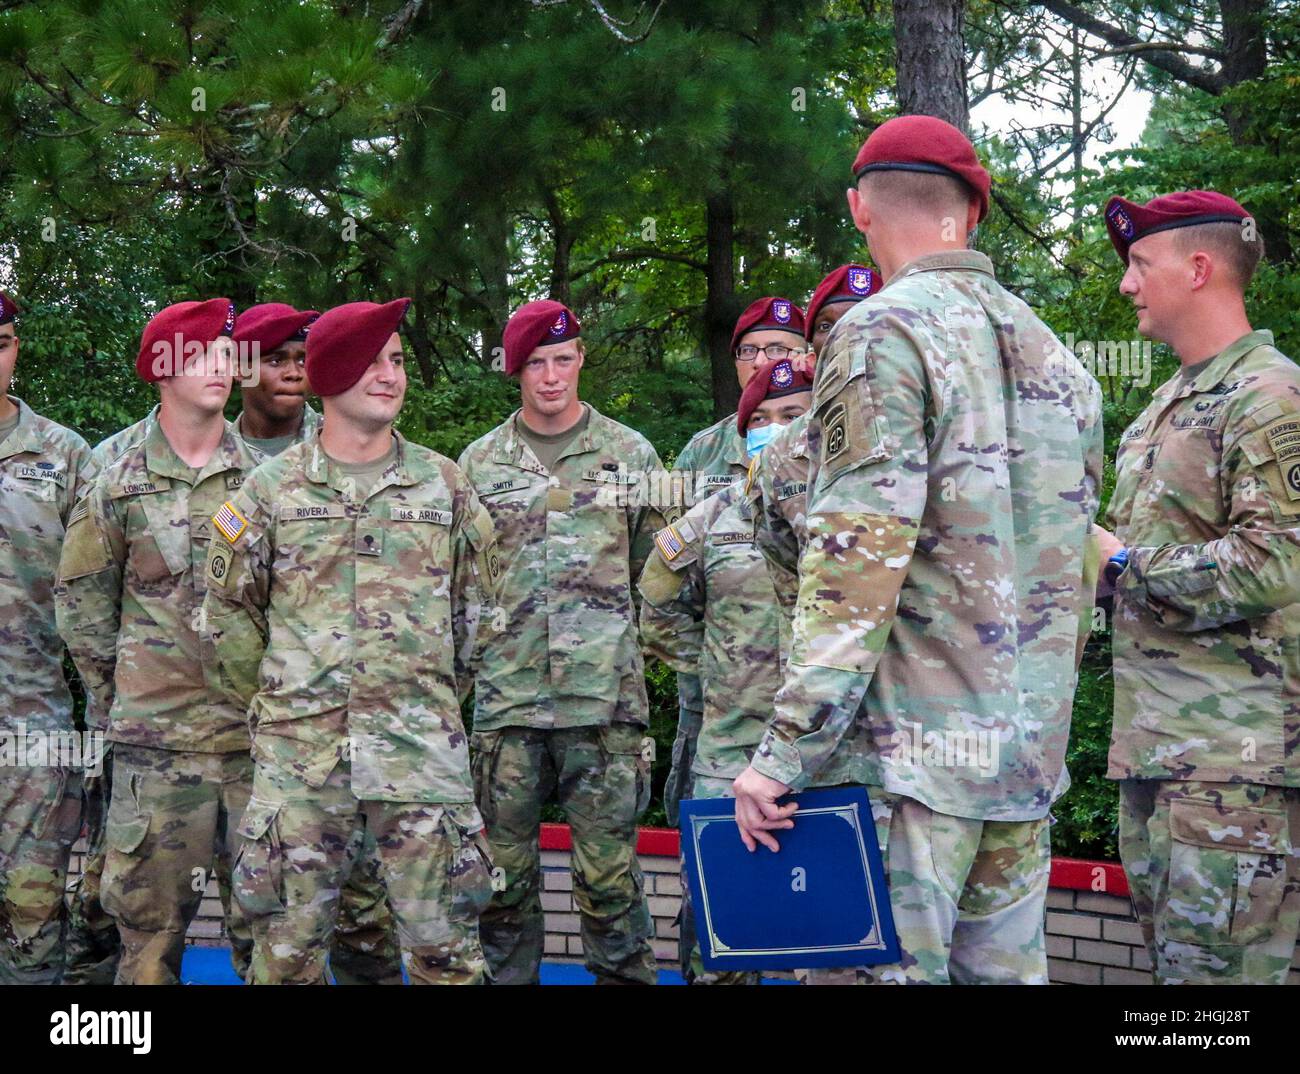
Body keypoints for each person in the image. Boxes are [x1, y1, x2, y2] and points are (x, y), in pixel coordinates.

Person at [731, 114, 1104, 984]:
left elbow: (857, 559)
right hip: (1019, 765)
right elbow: (1070, 561)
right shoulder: (1063, 364)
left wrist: (784, 752)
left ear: (859, 208)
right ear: (973, 211)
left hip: (907, 771)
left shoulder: (878, 333)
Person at [201, 298, 499, 985]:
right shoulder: (267, 491)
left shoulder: (446, 485)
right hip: (300, 765)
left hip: (422, 759)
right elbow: (230, 618)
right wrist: (287, 701)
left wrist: (422, 701)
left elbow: (477, 616)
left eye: (397, 361)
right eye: (373, 362)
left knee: (447, 957)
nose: (391, 375)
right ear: (331, 373)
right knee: (285, 956)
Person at [1094, 189, 1300, 985]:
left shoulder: (1269, 397)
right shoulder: (1162, 409)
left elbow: (1277, 562)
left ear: (1200, 268)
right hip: (1161, 755)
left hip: (1235, 770)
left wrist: (1120, 566)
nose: (1128, 284)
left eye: (1141, 264)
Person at [459, 299, 670, 985]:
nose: (551, 377)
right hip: (508, 704)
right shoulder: (478, 463)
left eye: (563, 359)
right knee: (504, 885)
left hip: (604, 706)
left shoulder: (632, 454)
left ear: (581, 359)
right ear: (515, 371)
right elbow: (464, 585)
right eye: (536, 364)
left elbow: (660, 575)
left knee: (609, 884)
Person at [55, 298, 259, 984]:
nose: (223, 367)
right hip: (154, 755)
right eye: (204, 353)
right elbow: (83, 610)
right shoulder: (115, 481)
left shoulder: (267, 479)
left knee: (278, 942)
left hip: (256, 749)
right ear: (162, 369)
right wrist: (129, 704)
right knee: (145, 948)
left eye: (229, 353)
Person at [230, 301, 399, 984]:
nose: (294, 372)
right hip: (264, 734)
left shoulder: (392, 463)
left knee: (370, 920)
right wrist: (273, 699)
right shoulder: (220, 463)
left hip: (379, 743)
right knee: (275, 924)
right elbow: (230, 613)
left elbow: (461, 617)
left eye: (303, 357)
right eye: (276, 358)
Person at [639, 357, 813, 985]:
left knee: (827, 943)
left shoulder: (853, 512)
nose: (777, 429)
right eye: (761, 421)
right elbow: (656, 599)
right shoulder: (715, 515)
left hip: (831, 755)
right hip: (730, 754)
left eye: (793, 416)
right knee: (723, 941)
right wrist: (716, 663)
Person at [663, 297, 807, 827]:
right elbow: (666, 579)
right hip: (720, 707)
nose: (761, 359)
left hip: (812, 710)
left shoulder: (836, 450)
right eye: (749, 349)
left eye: (778, 348)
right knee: (709, 860)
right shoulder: (701, 455)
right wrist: (709, 656)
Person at [0, 291, 98, 985]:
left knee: (32, 910)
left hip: (32, 724)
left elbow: (96, 601)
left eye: (1, 343)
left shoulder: (64, 456)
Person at [749, 265, 882, 614]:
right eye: (826, 326)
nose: (843, 333)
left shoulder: (940, 422)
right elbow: (787, 572)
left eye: (861, 317)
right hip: (826, 651)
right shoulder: (782, 456)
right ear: (811, 353)